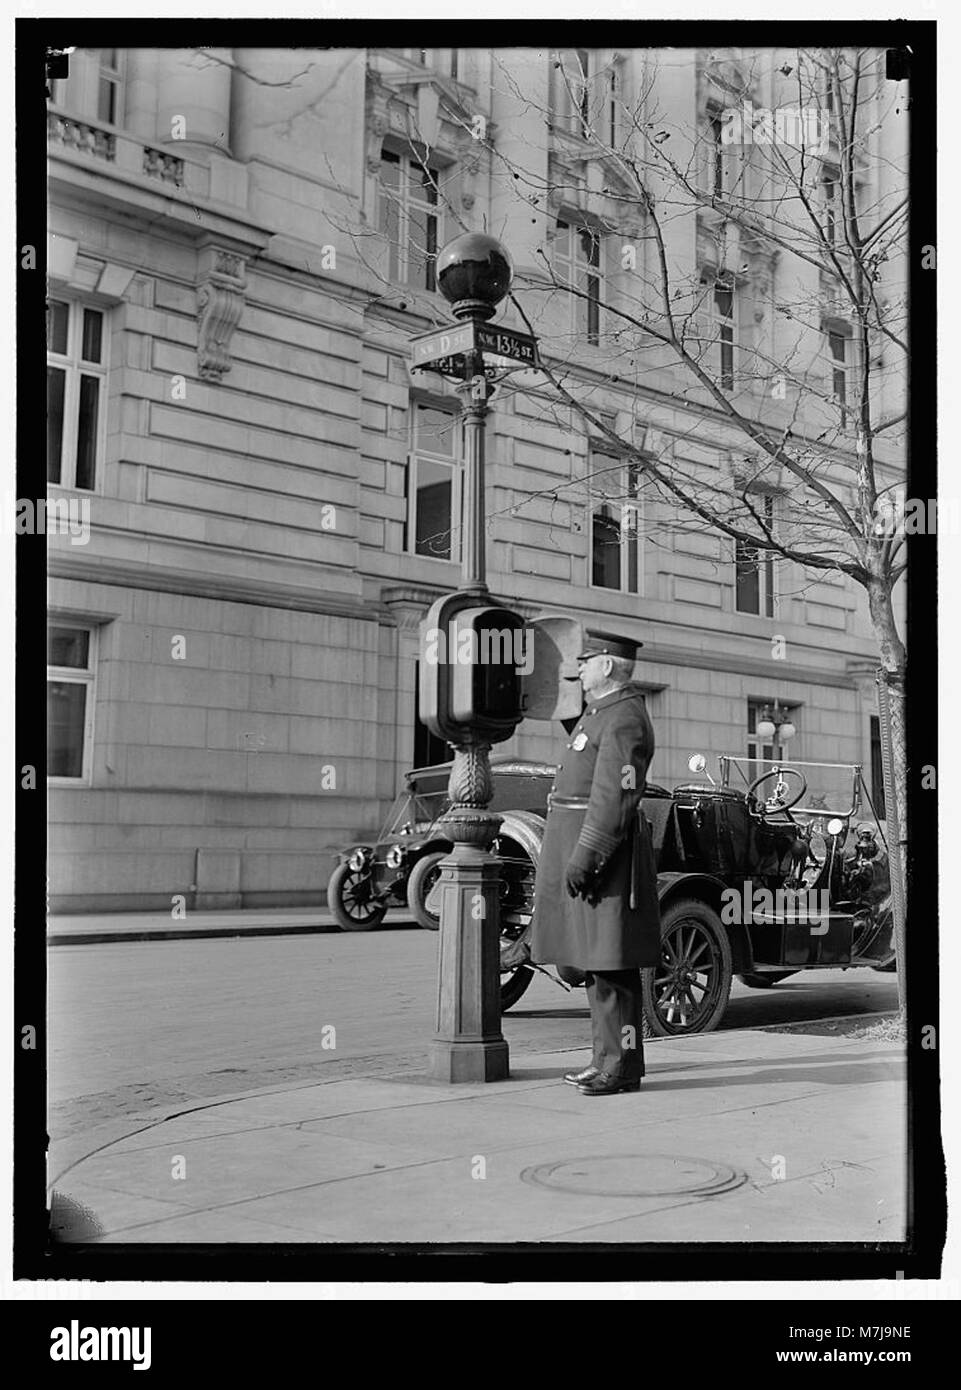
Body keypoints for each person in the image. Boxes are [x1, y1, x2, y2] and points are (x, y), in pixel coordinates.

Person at [529, 630, 662, 1096]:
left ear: (607, 666)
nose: (579, 669)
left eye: (585, 662)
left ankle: (621, 1067)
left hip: (606, 861)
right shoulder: (600, 713)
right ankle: (604, 1058)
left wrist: (587, 856)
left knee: (612, 968)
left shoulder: (624, 718)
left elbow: (613, 798)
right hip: (586, 855)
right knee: (594, 964)